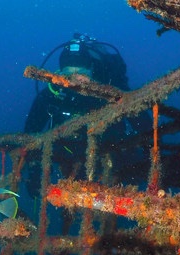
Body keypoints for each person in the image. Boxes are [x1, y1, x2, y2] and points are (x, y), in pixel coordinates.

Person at [23, 33, 152, 194]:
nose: (74, 81)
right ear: (60, 73)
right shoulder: (49, 97)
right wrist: (34, 171)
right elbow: (29, 135)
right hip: (68, 157)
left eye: (81, 73)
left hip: (113, 154)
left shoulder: (112, 92)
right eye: (68, 74)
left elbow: (145, 126)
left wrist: (149, 154)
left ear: (91, 69)